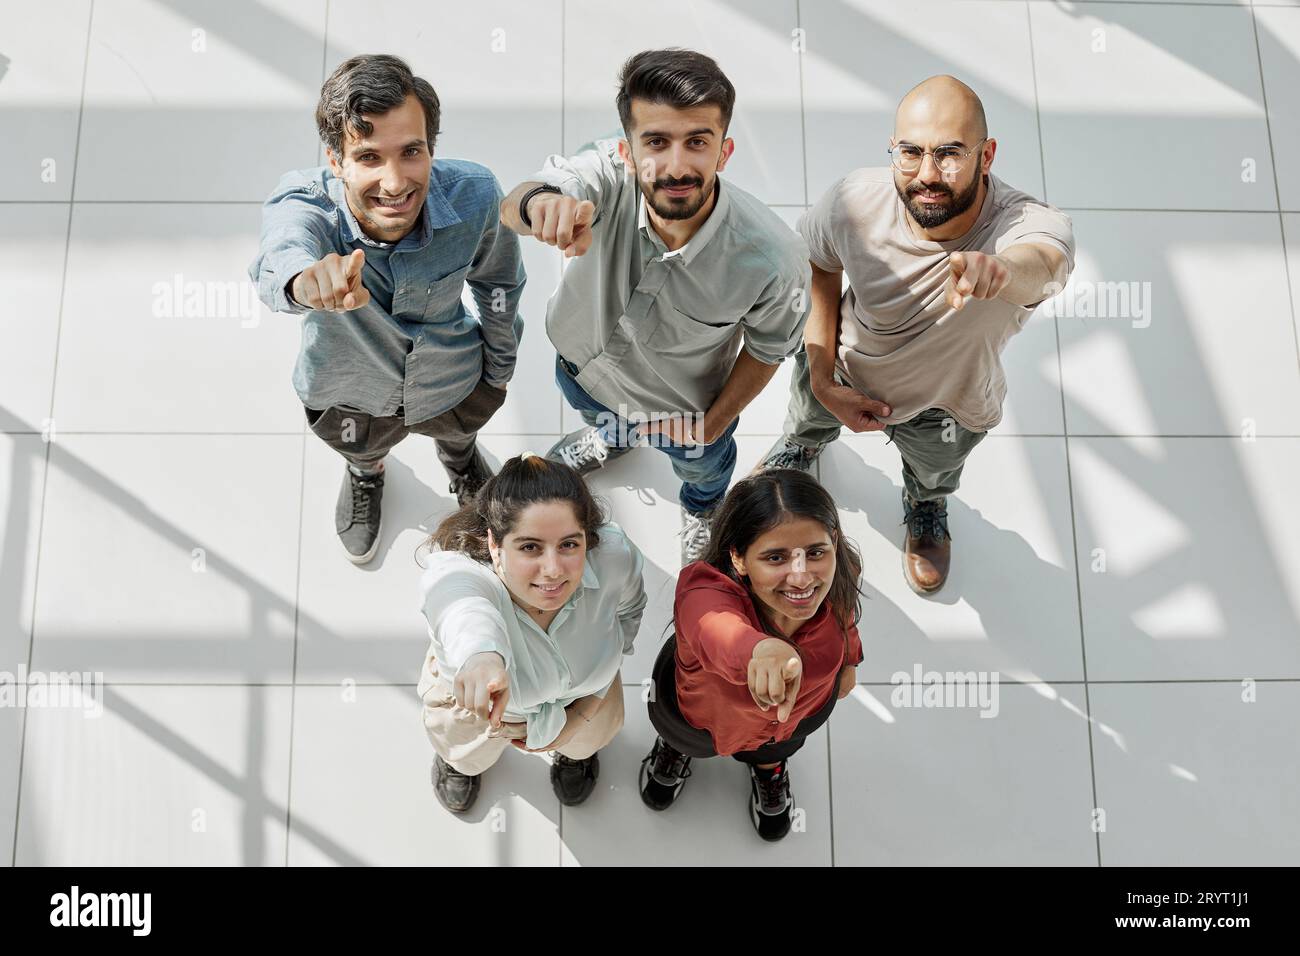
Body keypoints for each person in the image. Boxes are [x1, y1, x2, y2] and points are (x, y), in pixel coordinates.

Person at [757, 75, 1075, 595]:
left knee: (933, 472)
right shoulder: (853, 201)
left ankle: (925, 503)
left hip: (948, 403)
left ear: (987, 155)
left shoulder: (1028, 222)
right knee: (806, 420)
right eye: (911, 152)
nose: (927, 174)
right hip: (844, 367)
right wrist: (819, 378)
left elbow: (1040, 262)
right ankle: (801, 446)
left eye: (950, 153)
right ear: (893, 149)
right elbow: (817, 265)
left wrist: (1000, 271)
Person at [499, 48, 810, 566]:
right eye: (656, 142)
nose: (676, 166)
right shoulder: (605, 175)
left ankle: (702, 509)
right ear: (626, 150)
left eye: (697, 142)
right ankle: (612, 438)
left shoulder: (775, 261)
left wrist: (713, 425)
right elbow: (523, 199)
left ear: (724, 152)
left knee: (704, 471)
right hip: (581, 368)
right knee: (600, 416)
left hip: (684, 413)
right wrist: (539, 205)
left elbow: (768, 348)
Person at [250, 54, 525, 564]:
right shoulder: (305, 202)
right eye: (369, 157)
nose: (396, 183)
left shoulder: (476, 195)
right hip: (348, 393)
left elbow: (499, 282)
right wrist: (305, 283)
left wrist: (499, 369)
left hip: (454, 378)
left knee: (461, 435)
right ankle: (366, 472)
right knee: (360, 446)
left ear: (431, 148)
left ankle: (461, 463)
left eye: (411, 152)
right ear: (336, 161)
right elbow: (279, 256)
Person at [639, 469, 863, 842]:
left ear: (833, 543)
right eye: (775, 557)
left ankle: (769, 769)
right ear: (739, 558)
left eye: (815, 552)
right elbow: (716, 627)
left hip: (798, 714)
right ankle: (674, 752)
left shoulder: (840, 571)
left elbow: (845, 617)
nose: (802, 577)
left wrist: (850, 659)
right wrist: (759, 650)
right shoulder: (702, 590)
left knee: (776, 749)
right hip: (696, 717)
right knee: (683, 741)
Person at [418, 453, 647, 813]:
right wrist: (481, 658)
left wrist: (587, 704)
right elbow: (461, 607)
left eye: (570, 544)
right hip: (482, 713)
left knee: (586, 740)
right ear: (494, 545)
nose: (553, 570)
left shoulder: (614, 555)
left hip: (590, 699)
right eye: (529, 547)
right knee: (465, 750)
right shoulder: (459, 573)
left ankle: (576, 755)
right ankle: (460, 763)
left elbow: (629, 610)